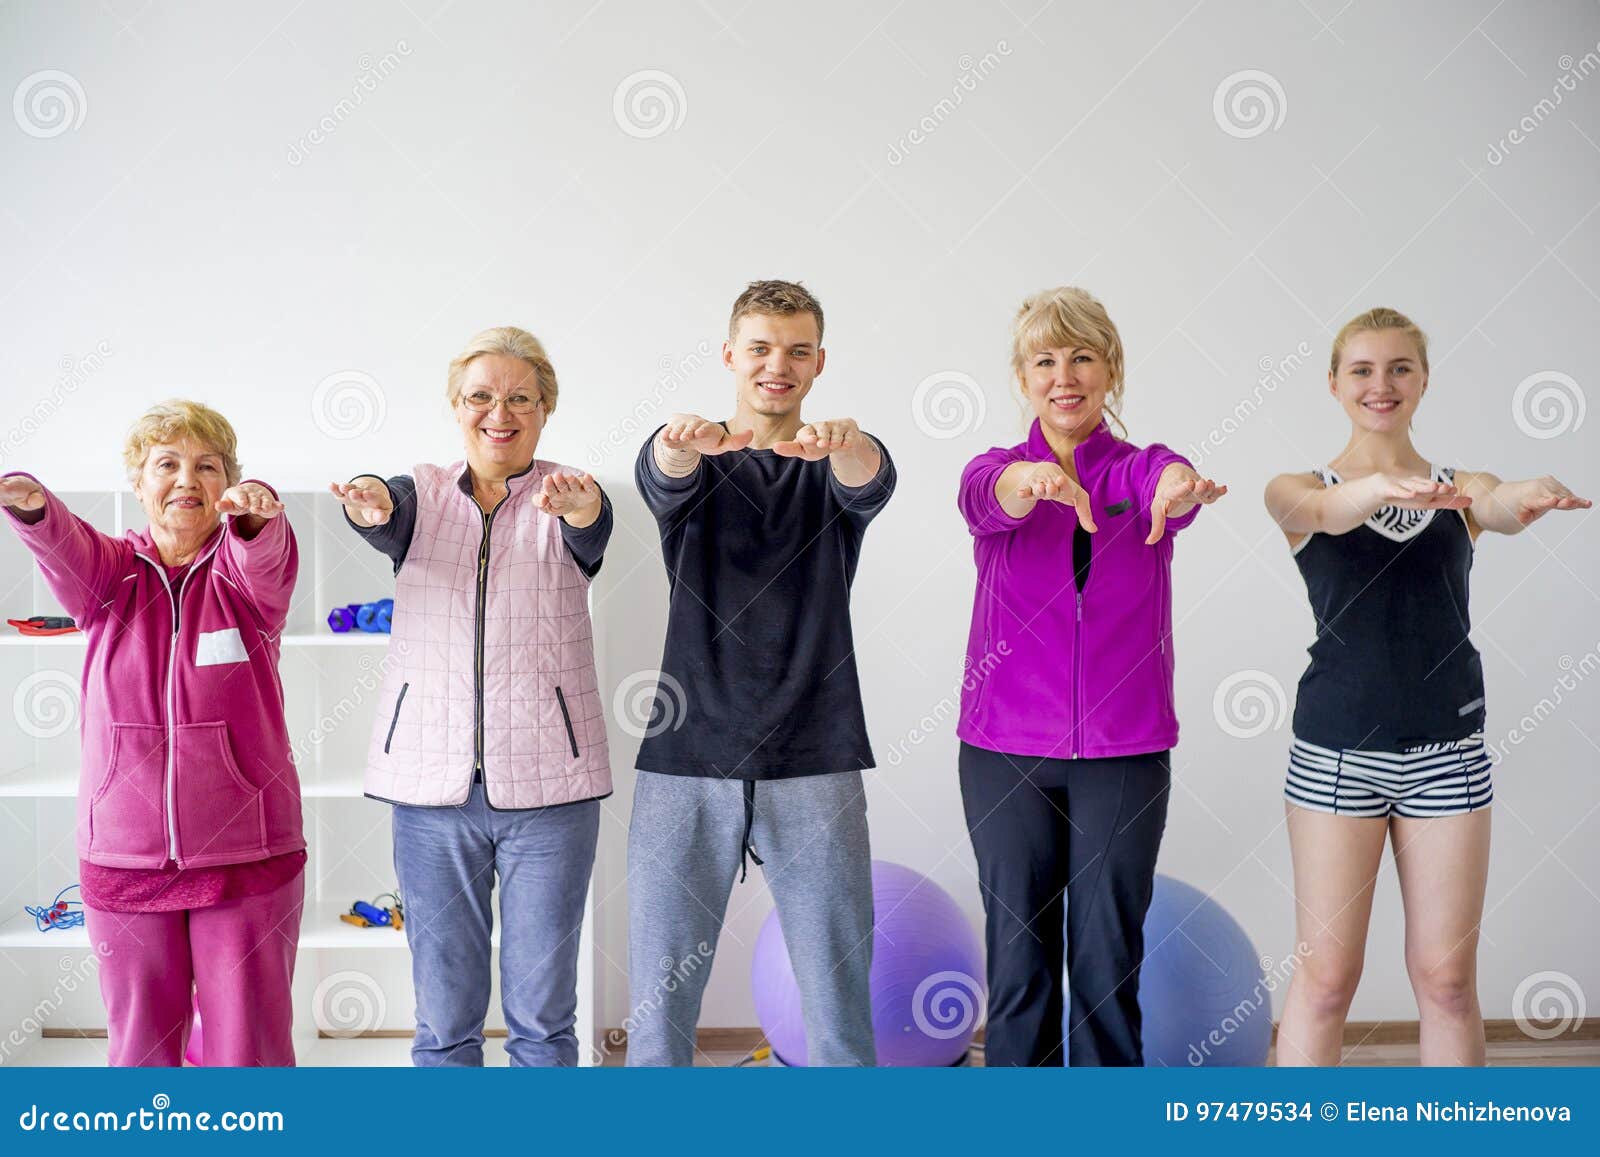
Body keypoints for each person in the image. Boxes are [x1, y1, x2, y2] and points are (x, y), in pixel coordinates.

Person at [1265, 307, 1590, 1066]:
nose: (1382, 384)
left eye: (1400, 367)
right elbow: (1324, 511)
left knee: (1446, 981)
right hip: (1336, 755)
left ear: (1423, 380)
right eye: (1364, 369)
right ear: (1336, 384)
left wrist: (1524, 495)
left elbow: (1496, 503)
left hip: (1449, 754)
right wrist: (1380, 485)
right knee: (1325, 978)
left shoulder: (1458, 487)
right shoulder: (1296, 489)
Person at [626, 279, 895, 1066]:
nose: (778, 363)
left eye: (797, 350)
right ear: (730, 356)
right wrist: (679, 441)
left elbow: (869, 475)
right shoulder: (694, 456)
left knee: (839, 1009)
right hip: (685, 759)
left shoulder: (836, 462)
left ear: (817, 363)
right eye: (761, 348)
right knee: (658, 1013)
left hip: (816, 756)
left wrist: (846, 443)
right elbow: (661, 467)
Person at [955, 287, 1226, 1066]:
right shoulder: (995, 471)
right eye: (1045, 359)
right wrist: (1030, 483)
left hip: (1124, 752)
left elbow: (1168, 486)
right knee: (1018, 960)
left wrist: (1178, 490)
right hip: (1004, 752)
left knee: (1108, 964)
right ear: (1022, 375)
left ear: (1111, 370)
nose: (1064, 375)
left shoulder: (1142, 470)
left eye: (1082, 357)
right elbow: (987, 498)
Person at [332, 325, 613, 1067]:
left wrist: (581, 508)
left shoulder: (570, 493)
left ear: (545, 407)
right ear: (457, 406)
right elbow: (381, 508)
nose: (501, 411)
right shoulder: (420, 493)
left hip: (551, 794)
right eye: (482, 395)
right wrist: (366, 503)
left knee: (543, 1021)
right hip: (432, 795)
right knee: (445, 1021)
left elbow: (593, 529)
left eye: (520, 396)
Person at [2, 400, 305, 1066]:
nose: (186, 480)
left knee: (247, 1052)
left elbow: (268, 555)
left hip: (247, 857)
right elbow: (64, 546)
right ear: (138, 482)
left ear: (227, 482)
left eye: (207, 465)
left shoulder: (242, 581)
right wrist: (32, 506)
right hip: (125, 856)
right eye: (166, 464)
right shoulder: (110, 574)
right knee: (141, 1051)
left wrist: (257, 515)